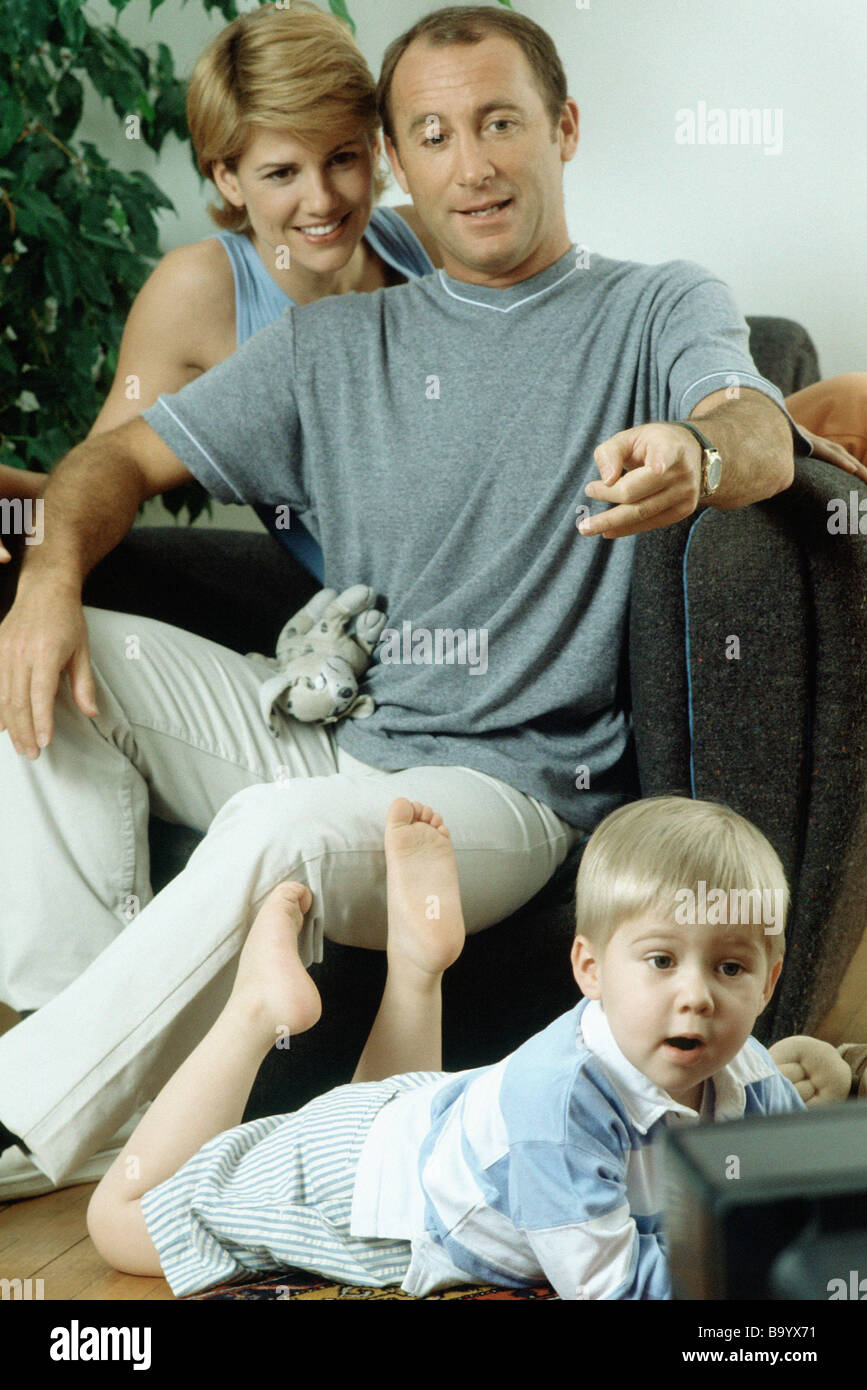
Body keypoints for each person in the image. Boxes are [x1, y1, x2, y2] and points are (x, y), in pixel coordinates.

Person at [0, 4, 817, 1190]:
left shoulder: (653, 305)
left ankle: (22, 1116)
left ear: (564, 128)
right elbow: (114, 460)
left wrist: (697, 456)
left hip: (502, 792)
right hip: (340, 735)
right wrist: (49, 584)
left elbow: (757, 429)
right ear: (401, 158)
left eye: (499, 123)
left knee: (267, 833)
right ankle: (106, 1095)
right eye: (433, 134)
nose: (471, 165)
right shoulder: (335, 341)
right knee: (44, 668)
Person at [85, 794, 806, 1300]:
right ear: (588, 969)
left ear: (768, 982)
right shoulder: (562, 1107)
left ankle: (417, 966)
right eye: (659, 961)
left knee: (398, 1117)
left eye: (729, 967)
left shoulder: (750, 1071)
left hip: (434, 1118)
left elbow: (796, 1206)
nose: (697, 996)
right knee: (119, 1224)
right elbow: (612, 1288)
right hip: (362, 1192)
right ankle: (253, 1010)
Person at [0, 2, 439, 579]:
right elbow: (97, 481)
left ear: (375, 149)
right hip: (372, 620)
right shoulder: (198, 291)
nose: (322, 200)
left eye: (341, 158)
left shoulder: (431, 239)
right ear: (227, 178)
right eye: (281, 173)